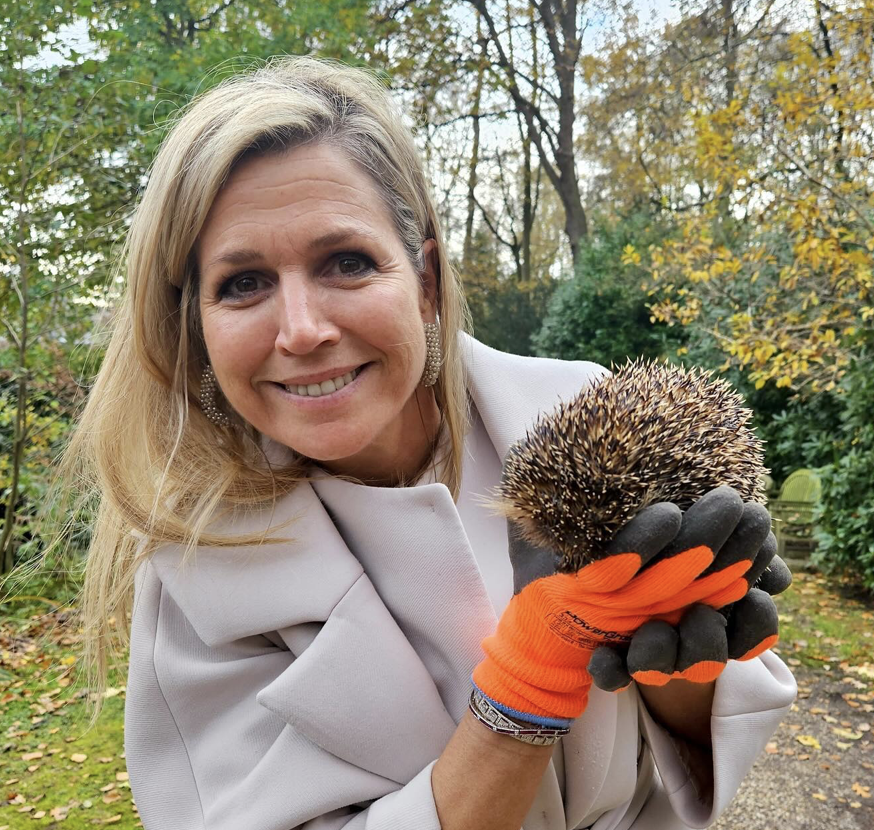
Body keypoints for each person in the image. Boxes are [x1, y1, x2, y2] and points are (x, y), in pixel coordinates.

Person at [67, 55, 797, 830]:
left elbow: (693, 741)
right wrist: (528, 685)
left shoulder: (584, 407)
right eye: (242, 283)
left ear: (424, 280)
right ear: (198, 325)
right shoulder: (191, 570)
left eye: (346, 262)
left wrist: (675, 658)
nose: (303, 330)